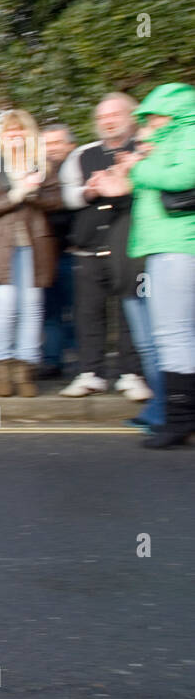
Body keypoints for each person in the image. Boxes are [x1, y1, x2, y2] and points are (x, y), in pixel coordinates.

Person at [115, 83, 195, 448]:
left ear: (173, 111)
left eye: (154, 115)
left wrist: (140, 167)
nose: (150, 122)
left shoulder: (188, 132)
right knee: (173, 335)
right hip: (165, 246)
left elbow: (184, 177)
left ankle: (178, 422)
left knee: (174, 335)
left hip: (179, 246)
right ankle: (178, 419)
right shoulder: (169, 138)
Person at [57, 94, 150, 403]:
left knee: (132, 312)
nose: (107, 122)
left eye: (114, 115)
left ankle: (131, 374)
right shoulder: (82, 154)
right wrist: (89, 190)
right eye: (102, 118)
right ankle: (90, 374)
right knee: (88, 314)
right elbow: (67, 196)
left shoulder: (145, 148)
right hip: (89, 249)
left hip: (134, 249)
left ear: (130, 116)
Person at [0, 110, 61, 398]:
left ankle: (25, 369)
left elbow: (57, 199)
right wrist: (15, 195)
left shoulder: (41, 163)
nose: (14, 135)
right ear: (2, 134)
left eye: (20, 130)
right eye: (10, 131)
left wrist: (34, 193)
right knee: (4, 304)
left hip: (34, 244)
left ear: (28, 133)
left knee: (32, 306)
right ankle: (1, 367)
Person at [39, 123, 78, 379]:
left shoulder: (82, 168)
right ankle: (52, 362)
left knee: (79, 310)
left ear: (70, 145)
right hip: (47, 255)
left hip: (77, 252)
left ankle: (82, 363)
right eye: (46, 144)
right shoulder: (37, 175)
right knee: (50, 311)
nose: (51, 149)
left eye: (56, 143)